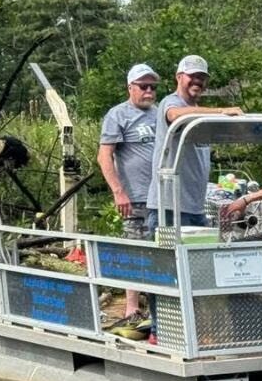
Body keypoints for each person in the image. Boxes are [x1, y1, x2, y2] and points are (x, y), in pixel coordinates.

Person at [144, 55, 244, 236]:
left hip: (196, 209)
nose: (197, 81)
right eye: (192, 76)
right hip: (170, 208)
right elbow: (174, 115)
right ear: (179, 77)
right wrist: (221, 111)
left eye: (202, 77)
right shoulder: (171, 102)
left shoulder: (201, 114)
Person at [97, 63, 158, 328]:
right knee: (135, 249)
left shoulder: (160, 113)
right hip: (135, 197)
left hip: (161, 196)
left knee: (160, 252)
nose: (148, 91)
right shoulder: (118, 115)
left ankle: (159, 306)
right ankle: (132, 306)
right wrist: (118, 191)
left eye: (152, 87)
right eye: (143, 86)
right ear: (131, 87)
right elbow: (104, 156)